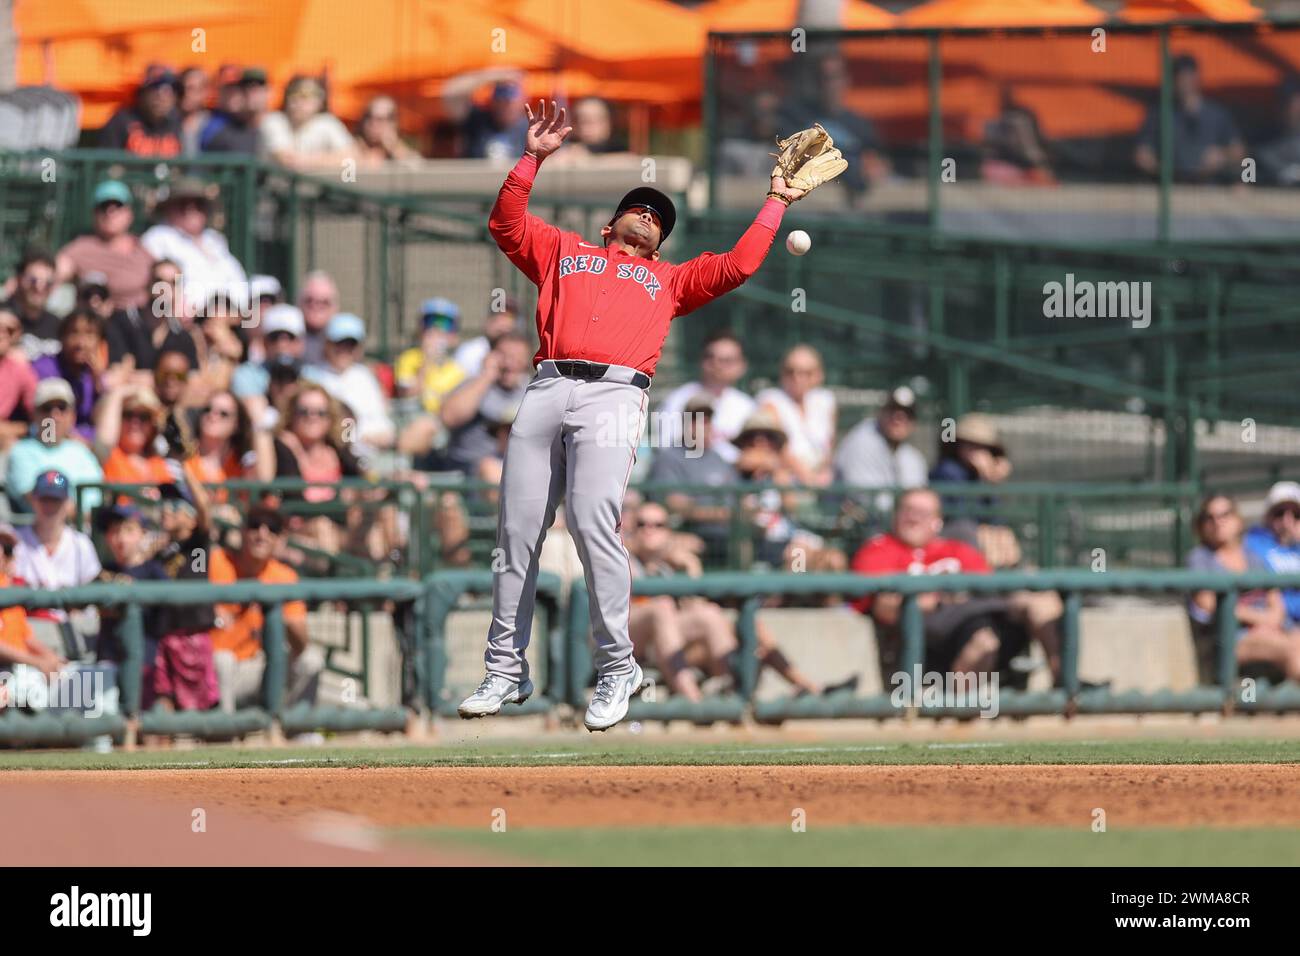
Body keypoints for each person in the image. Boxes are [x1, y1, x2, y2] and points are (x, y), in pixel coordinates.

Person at [457, 100, 804, 732]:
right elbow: (506, 223)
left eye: (658, 217)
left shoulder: (669, 281)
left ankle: (618, 665)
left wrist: (776, 199)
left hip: (615, 394)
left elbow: (740, 265)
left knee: (593, 523)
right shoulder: (564, 250)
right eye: (638, 207)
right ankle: (505, 667)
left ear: (661, 239)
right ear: (613, 219)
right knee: (515, 532)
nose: (647, 215)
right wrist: (531, 159)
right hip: (548, 382)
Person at [851, 488, 1063, 686]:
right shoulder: (878, 550)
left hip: (984, 615)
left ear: (937, 522)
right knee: (983, 641)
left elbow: (991, 587)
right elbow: (884, 607)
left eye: (923, 513)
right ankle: (956, 710)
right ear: (895, 515)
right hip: (932, 641)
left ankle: (1065, 686)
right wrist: (937, 599)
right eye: (908, 511)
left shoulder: (956, 549)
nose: (914, 518)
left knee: (1043, 601)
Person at [208, 505, 323, 713]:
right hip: (219, 670)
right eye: (254, 526)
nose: (262, 534)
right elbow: (194, 559)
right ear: (242, 531)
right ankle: (223, 735)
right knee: (222, 660)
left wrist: (283, 612)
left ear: (280, 539)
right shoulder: (215, 560)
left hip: (261, 667)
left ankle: (295, 731)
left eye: (272, 529)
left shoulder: (285, 576)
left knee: (312, 659)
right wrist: (210, 607)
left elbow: (301, 646)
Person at [1188, 493, 1300, 683]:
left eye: (1225, 515)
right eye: (1210, 517)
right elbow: (1207, 603)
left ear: (1238, 520)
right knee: (1291, 649)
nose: (1218, 522)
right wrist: (1259, 621)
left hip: (1272, 630)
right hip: (1232, 640)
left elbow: (1276, 604)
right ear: (1201, 525)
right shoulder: (1200, 558)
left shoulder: (1252, 555)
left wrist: (1268, 623)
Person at [648, 394, 738, 564]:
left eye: (707, 420)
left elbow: (739, 502)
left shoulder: (720, 460)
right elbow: (674, 504)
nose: (702, 426)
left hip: (727, 538)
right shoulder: (669, 458)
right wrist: (723, 513)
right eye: (696, 420)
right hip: (687, 534)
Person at [141, 179, 248, 315]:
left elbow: (237, 280)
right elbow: (157, 283)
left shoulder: (215, 240)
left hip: (231, 315)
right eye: (182, 204)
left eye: (198, 204)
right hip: (186, 319)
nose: (190, 210)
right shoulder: (158, 237)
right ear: (168, 208)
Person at [1134, 54, 1245, 184]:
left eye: (1189, 77)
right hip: (1172, 186)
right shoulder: (1159, 113)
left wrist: (1222, 156)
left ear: (1196, 78)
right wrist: (1160, 168)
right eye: (1180, 78)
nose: (1185, 83)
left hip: (1209, 187)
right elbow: (1142, 154)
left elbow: (1239, 151)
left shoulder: (1216, 114)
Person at [930, 412, 1019, 568]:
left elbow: (995, 518)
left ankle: (1007, 585)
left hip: (974, 531)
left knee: (1004, 536)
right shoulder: (948, 470)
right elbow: (958, 513)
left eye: (982, 447)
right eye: (970, 444)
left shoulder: (979, 474)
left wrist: (991, 484)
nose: (977, 452)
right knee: (973, 533)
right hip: (948, 531)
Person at [437, 331, 531, 475]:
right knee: (490, 468)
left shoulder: (531, 390)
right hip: (468, 472)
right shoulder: (473, 385)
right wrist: (487, 376)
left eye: (517, 358)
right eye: (504, 356)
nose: (509, 364)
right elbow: (448, 417)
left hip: (515, 468)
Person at [655, 330, 755, 464]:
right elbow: (666, 449)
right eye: (710, 357)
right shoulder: (679, 399)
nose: (717, 364)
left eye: (727, 360)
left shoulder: (746, 406)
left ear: (742, 366)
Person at [55, 180, 156, 312]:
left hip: (140, 322)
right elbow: (53, 274)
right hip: (97, 324)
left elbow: (169, 278)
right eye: (104, 206)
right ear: (94, 214)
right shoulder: (81, 248)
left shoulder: (145, 248)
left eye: (117, 205)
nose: (110, 212)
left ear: (129, 214)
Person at [5, 379, 104, 513]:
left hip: (80, 532)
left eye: (62, 408)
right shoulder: (21, 451)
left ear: (72, 416)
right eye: (47, 408)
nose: (54, 416)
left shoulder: (82, 453)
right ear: (34, 414)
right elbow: (35, 501)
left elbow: (93, 505)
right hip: (35, 532)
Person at [302, 312, 395, 451]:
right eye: (339, 343)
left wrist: (365, 437)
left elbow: (384, 428)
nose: (344, 350)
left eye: (350, 344)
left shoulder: (365, 376)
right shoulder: (311, 375)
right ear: (327, 344)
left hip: (367, 457)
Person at [834, 385, 928, 512]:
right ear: (881, 412)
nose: (898, 419)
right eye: (893, 411)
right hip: (855, 526)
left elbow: (918, 499)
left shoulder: (911, 456)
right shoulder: (862, 440)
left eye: (907, 414)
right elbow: (865, 499)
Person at [755, 344, 836, 487]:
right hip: (787, 482)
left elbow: (829, 444)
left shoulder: (826, 400)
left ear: (819, 374)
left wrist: (825, 471)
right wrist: (809, 478)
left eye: (806, 372)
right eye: (790, 371)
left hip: (819, 480)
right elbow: (780, 447)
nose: (797, 378)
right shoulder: (770, 399)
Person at [32, 309, 108, 443]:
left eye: (89, 335)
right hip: (49, 440)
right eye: (74, 333)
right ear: (62, 337)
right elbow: (46, 423)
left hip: (85, 446)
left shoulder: (93, 374)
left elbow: (102, 424)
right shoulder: (44, 368)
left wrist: (98, 381)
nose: (81, 344)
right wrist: (77, 441)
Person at [0, 523, 64, 677]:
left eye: (8, 549)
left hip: (17, 671)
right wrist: (37, 662)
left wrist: (50, 657)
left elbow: (27, 636)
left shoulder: (9, 587)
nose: (4, 553)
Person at [260, 75, 356, 171]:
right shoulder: (274, 120)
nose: (299, 101)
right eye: (294, 94)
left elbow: (351, 158)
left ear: (320, 101)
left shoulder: (327, 123)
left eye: (307, 96)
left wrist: (308, 160)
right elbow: (288, 160)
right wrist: (330, 159)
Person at [1244, 481, 1300, 627]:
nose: (1287, 521)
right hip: (1277, 622)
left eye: (1296, 514)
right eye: (1279, 513)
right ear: (1267, 516)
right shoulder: (1253, 544)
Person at [99, 66, 183, 158]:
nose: (162, 96)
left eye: (171, 90)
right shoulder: (121, 120)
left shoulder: (179, 122)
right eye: (155, 88)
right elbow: (108, 166)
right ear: (142, 93)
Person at [99, 388, 175, 488]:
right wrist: (118, 394)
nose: (135, 423)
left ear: (152, 425)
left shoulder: (157, 463)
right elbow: (104, 442)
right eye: (128, 415)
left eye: (144, 417)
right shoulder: (110, 455)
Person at [4, 249, 61, 361]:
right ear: (19, 279)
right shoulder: (3, 318)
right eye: (32, 280)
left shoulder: (59, 326)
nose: (39, 287)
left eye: (47, 283)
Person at [200, 68, 267, 156]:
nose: (233, 95)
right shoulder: (214, 125)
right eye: (227, 89)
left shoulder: (253, 123)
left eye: (237, 89)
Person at [452, 296, 521, 376]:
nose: (504, 323)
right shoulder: (471, 351)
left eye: (510, 317)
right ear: (488, 321)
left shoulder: (518, 355)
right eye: (498, 316)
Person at [0, 306, 37, 448]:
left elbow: (45, 412)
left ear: (17, 335)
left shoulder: (19, 370)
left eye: (9, 330)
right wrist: (25, 429)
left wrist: (50, 445)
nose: (2, 335)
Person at [355, 95, 417, 164]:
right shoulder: (353, 149)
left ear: (393, 124)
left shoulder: (399, 151)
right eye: (368, 116)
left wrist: (395, 148)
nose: (373, 123)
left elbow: (419, 167)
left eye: (379, 119)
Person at [297, 271, 339, 366]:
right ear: (299, 303)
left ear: (335, 307)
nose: (316, 307)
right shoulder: (285, 338)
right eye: (309, 301)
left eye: (324, 302)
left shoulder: (345, 342)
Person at [176, 67, 211, 156]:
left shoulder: (214, 124)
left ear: (205, 92)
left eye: (192, 89)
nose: (186, 93)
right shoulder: (167, 120)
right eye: (182, 88)